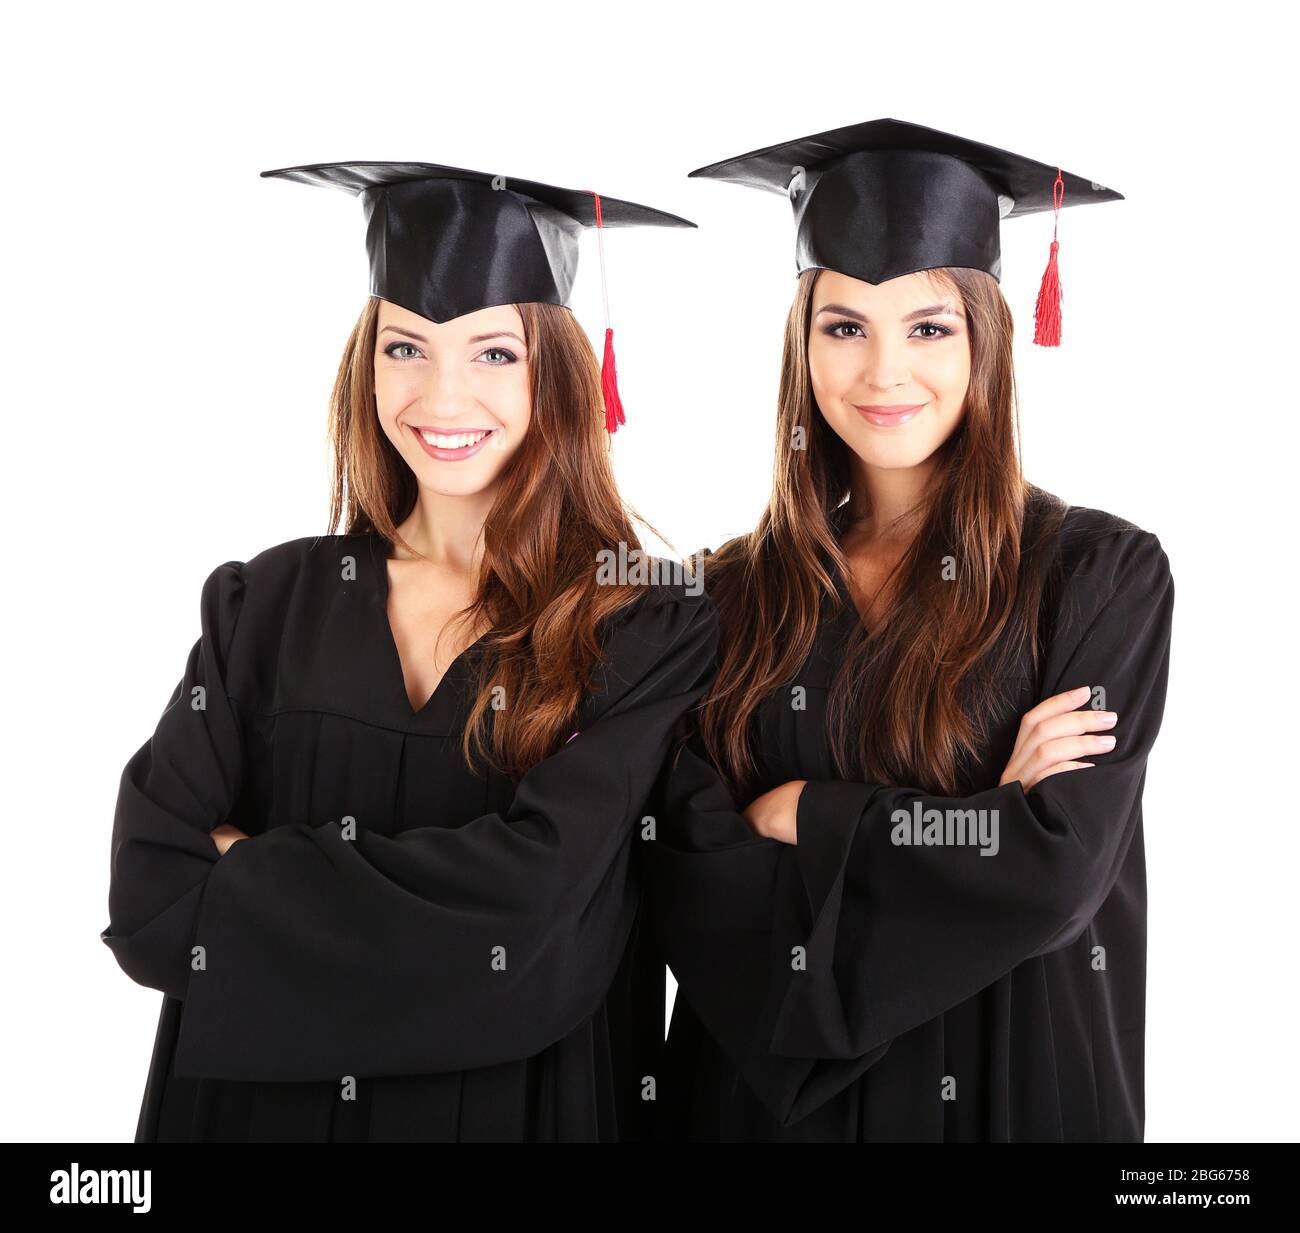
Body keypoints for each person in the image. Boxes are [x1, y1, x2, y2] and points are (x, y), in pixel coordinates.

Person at [100, 160, 715, 1142]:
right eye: (405, 348)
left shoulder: (641, 623)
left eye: (493, 354)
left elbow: (532, 912)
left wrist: (247, 877)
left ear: (557, 369)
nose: (441, 394)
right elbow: (149, 897)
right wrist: (445, 910)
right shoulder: (266, 605)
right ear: (367, 361)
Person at [647, 119, 1175, 1141]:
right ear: (801, 346)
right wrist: (983, 819)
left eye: (928, 328)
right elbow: (689, 878)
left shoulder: (1097, 577)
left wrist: (811, 812)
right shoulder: (715, 599)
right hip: (761, 1109)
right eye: (843, 326)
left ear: (986, 339)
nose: (883, 372)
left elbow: (1056, 875)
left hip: (1010, 1088)